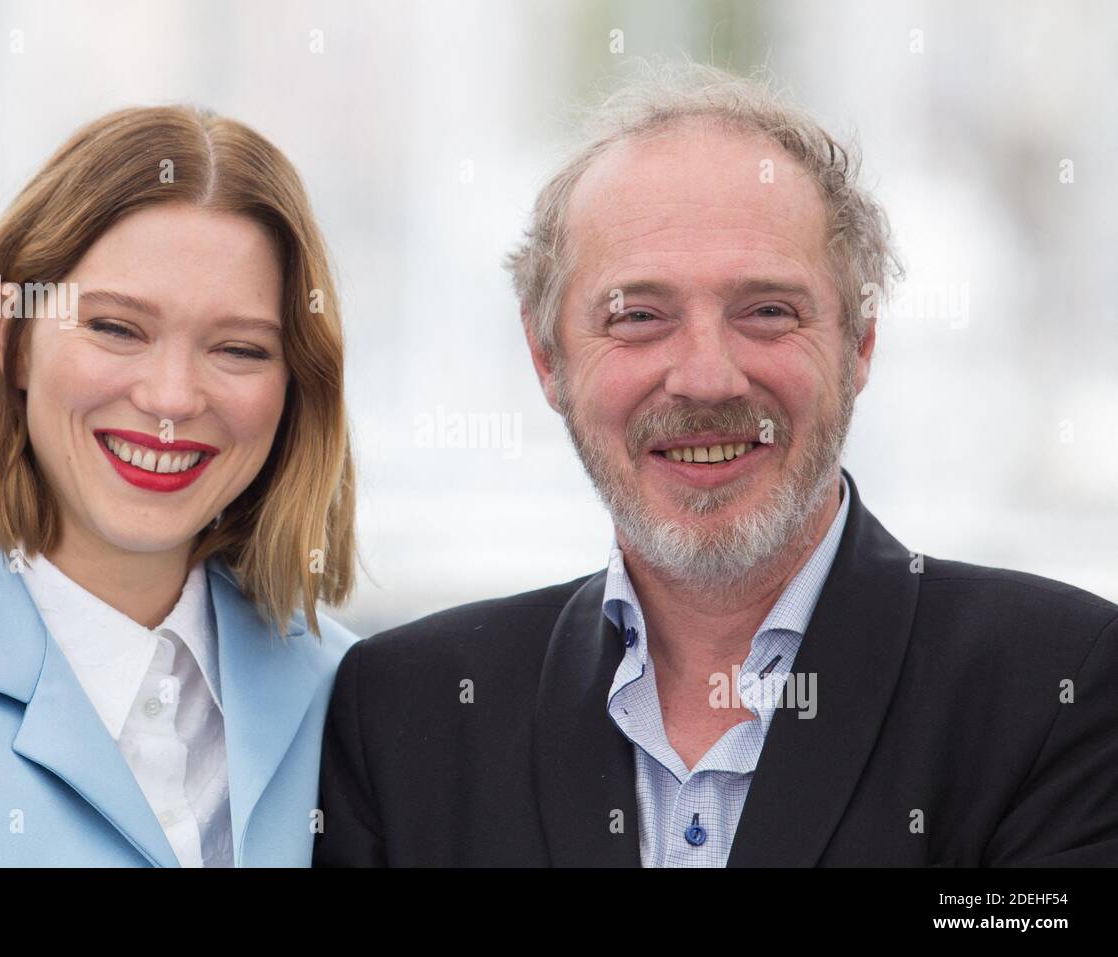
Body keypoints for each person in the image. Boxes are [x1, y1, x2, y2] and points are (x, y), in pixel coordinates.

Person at [313, 61, 1118, 867]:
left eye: (768, 311)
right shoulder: (404, 713)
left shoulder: (1061, 687)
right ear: (547, 357)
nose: (705, 377)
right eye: (638, 316)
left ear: (859, 343)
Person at [0, 105, 359, 867]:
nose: (172, 400)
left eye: (238, 348)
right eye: (115, 328)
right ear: (13, 342)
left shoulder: (352, 697)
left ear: (294, 389)